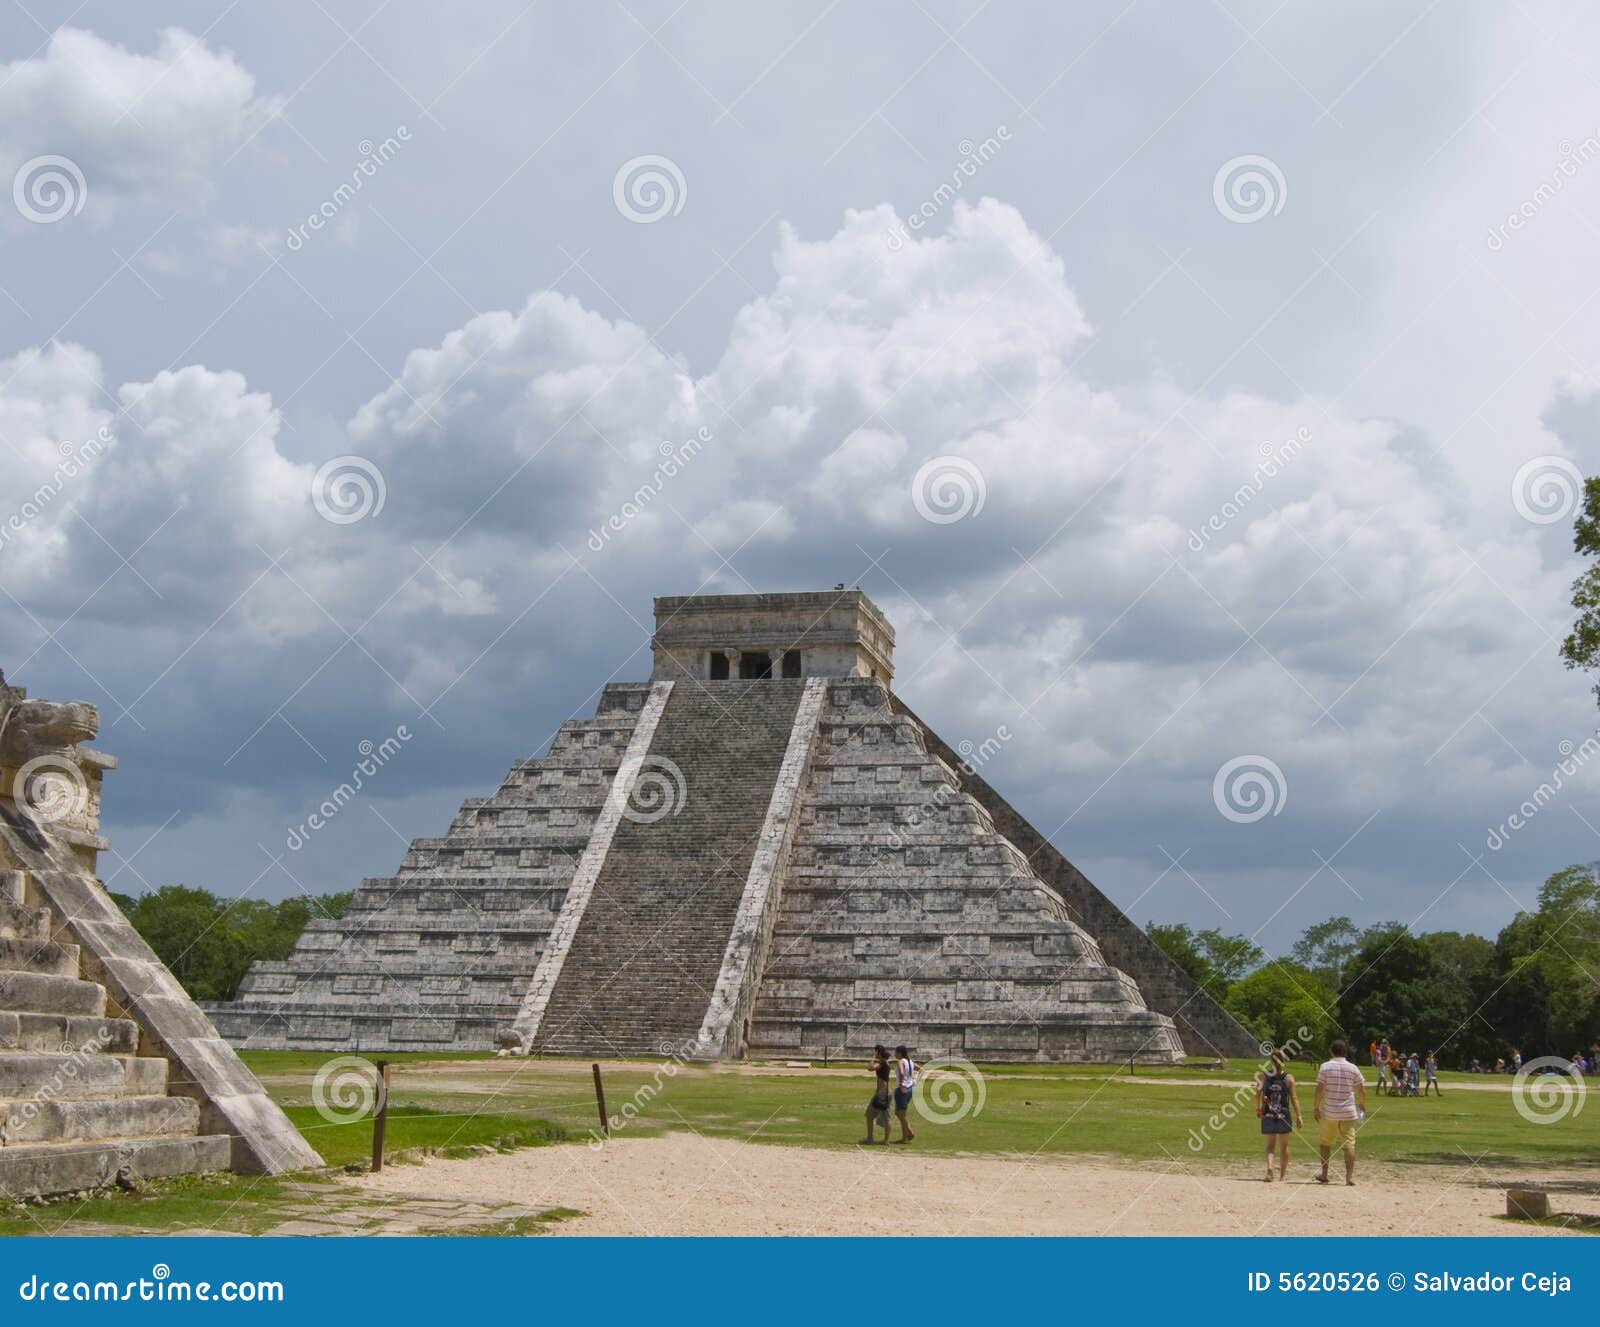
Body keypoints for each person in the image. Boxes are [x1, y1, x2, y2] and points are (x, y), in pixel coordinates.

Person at [1313, 1039, 1366, 1186]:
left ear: (1332, 1051)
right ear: (1345, 1052)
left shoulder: (1325, 1067)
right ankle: (1349, 1177)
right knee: (1349, 1144)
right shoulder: (1353, 1068)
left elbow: (1319, 1089)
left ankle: (1324, 1174)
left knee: (1325, 1143)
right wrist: (1362, 1104)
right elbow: (1361, 1089)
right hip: (1348, 1112)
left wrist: (1316, 1107)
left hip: (1330, 1111)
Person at [1256, 1050, 1303, 1182]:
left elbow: (1257, 1094)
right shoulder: (1289, 1078)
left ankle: (1270, 1169)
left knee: (1270, 1145)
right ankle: (1282, 1175)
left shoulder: (1263, 1076)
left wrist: (1258, 1108)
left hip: (1267, 1112)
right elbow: (1294, 1098)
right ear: (1283, 1061)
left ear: (1271, 1061)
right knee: (1284, 1146)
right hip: (1284, 1114)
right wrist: (1299, 1115)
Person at [861, 1045, 891, 1144]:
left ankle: (870, 1139)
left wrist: (873, 1057)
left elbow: (870, 1068)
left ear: (878, 1052)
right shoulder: (884, 1062)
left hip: (882, 1093)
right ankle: (885, 1140)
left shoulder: (882, 1063)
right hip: (884, 1092)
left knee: (869, 1115)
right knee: (885, 1117)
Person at [893, 1045, 917, 1143]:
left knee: (902, 1115)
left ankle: (905, 1138)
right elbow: (922, 1070)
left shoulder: (900, 1061)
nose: (894, 1054)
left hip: (902, 1089)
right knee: (898, 1112)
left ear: (899, 1053)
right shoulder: (910, 1061)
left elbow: (902, 1073)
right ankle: (909, 1132)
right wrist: (914, 1081)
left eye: (895, 1052)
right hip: (910, 1088)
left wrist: (901, 1084)